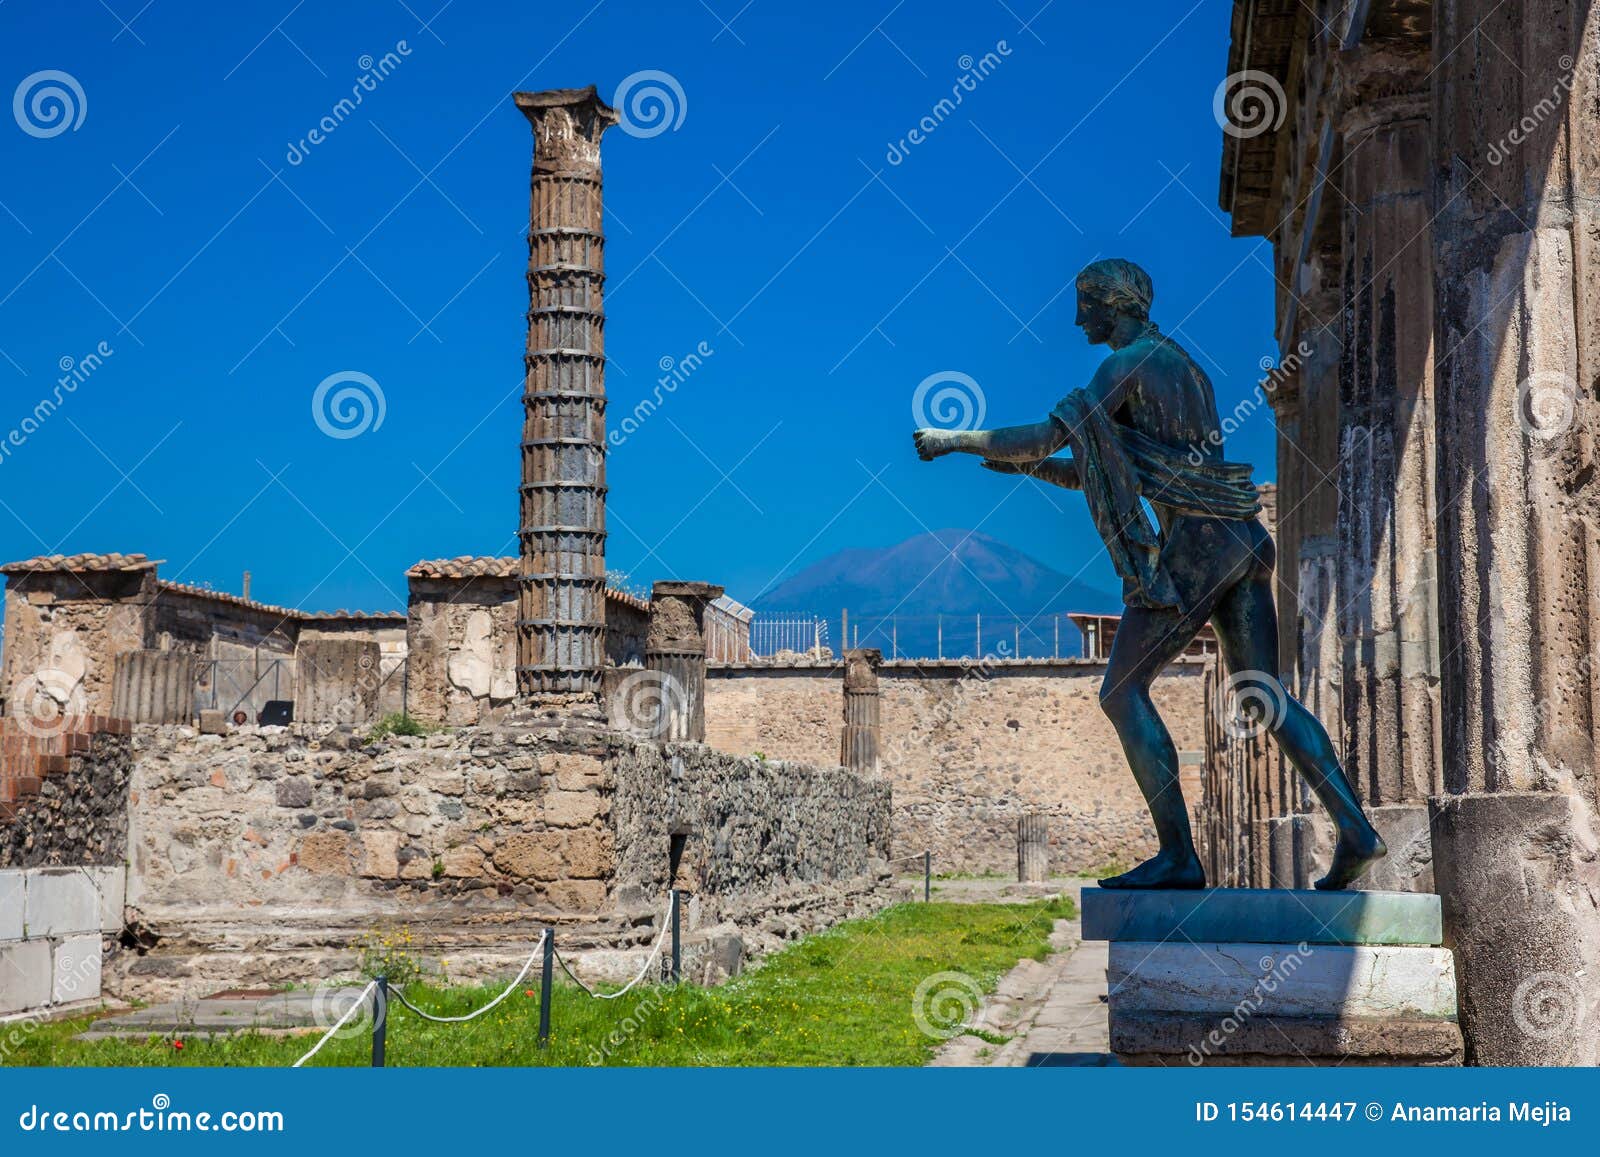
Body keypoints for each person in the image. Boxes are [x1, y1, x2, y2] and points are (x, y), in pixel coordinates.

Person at [912, 257, 1385, 891]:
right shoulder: (1183, 366)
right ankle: (1355, 830)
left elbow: (1047, 438)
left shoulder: (1121, 365)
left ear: (1115, 303)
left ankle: (1179, 857)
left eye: (1087, 304)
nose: (1079, 318)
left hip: (1196, 546)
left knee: (1122, 693)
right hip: (1243, 539)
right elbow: (1108, 468)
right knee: (1264, 696)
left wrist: (957, 440)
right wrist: (1024, 469)